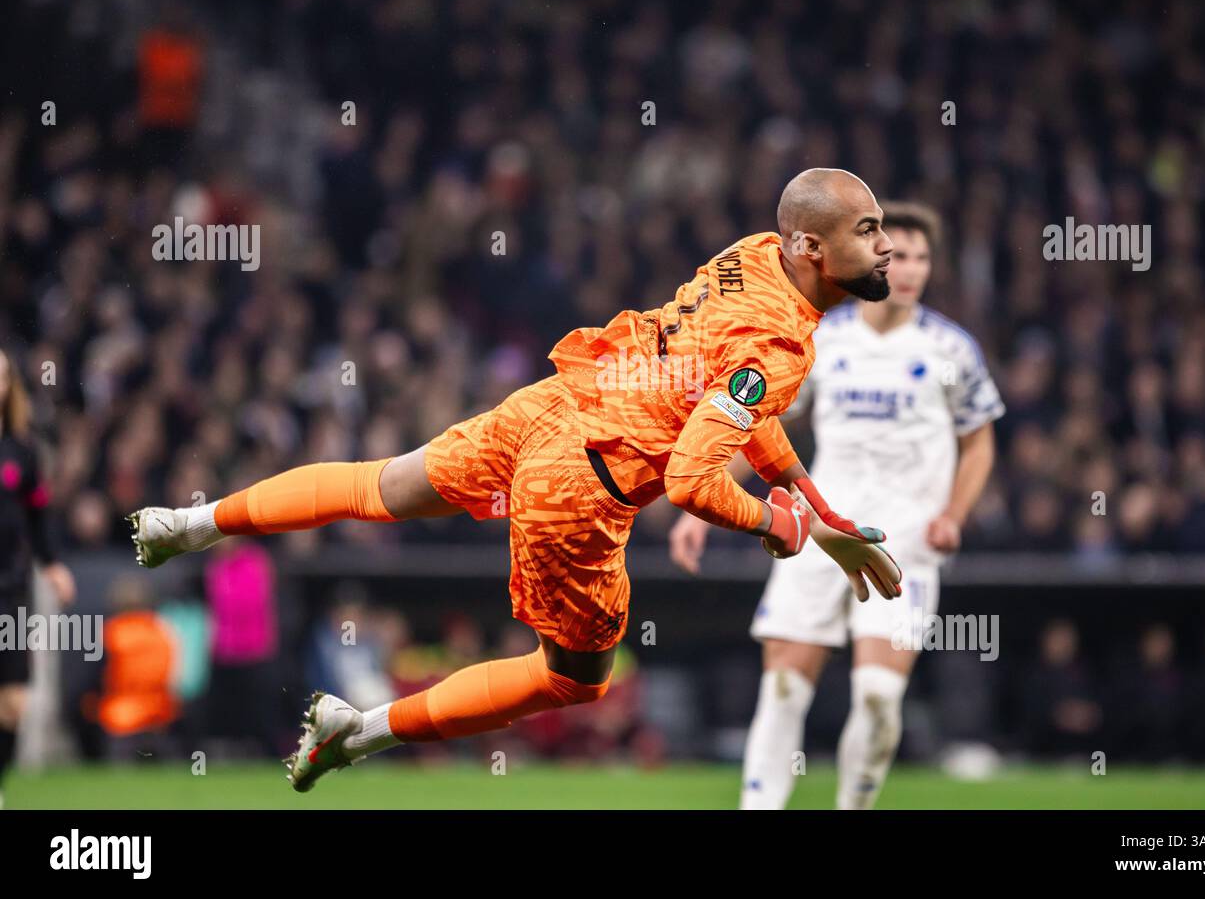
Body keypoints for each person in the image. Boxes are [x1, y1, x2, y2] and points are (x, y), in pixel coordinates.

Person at [130, 167, 898, 792]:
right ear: (810, 245)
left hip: (556, 404)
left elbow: (735, 408)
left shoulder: (758, 254)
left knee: (378, 485)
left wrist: (821, 512)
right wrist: (780, 526)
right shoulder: (780, 346)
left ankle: (187, 525)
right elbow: (697, 480)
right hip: (583, 484)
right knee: (574, 681)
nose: (886, 246)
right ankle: (358, 733)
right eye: (867, 231)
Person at [669, 203, 1003, 808]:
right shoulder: (822, 339)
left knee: (877, 693)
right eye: (896, 254)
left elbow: (978, 439)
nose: (908, 269)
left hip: (903, 540)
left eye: (921, 258)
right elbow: (759, 420)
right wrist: (703, 497)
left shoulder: (952, 351)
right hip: (817, 529)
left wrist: (954, 512)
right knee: (783, 691)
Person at [0, 349, 77, 806]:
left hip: (10, 589)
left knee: (12, 705)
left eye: (3, 377)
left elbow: (38, 515)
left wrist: (52, 565)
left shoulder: (22, 450)